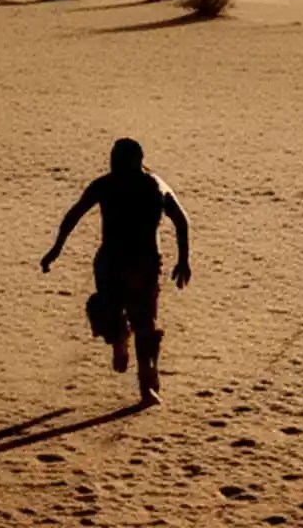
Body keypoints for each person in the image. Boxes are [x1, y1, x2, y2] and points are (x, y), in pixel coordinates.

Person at [41, 138, 191, 406]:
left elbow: (181, 220)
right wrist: (56, 248)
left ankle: (145, 378)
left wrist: (184, 260)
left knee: (142, 322)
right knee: (111, 310)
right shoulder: (110, 185)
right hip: (116, 261)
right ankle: (121, 340)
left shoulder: (151, 186)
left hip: (140, 263)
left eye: (119, 160)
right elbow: (74, 215)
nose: (115, 165)